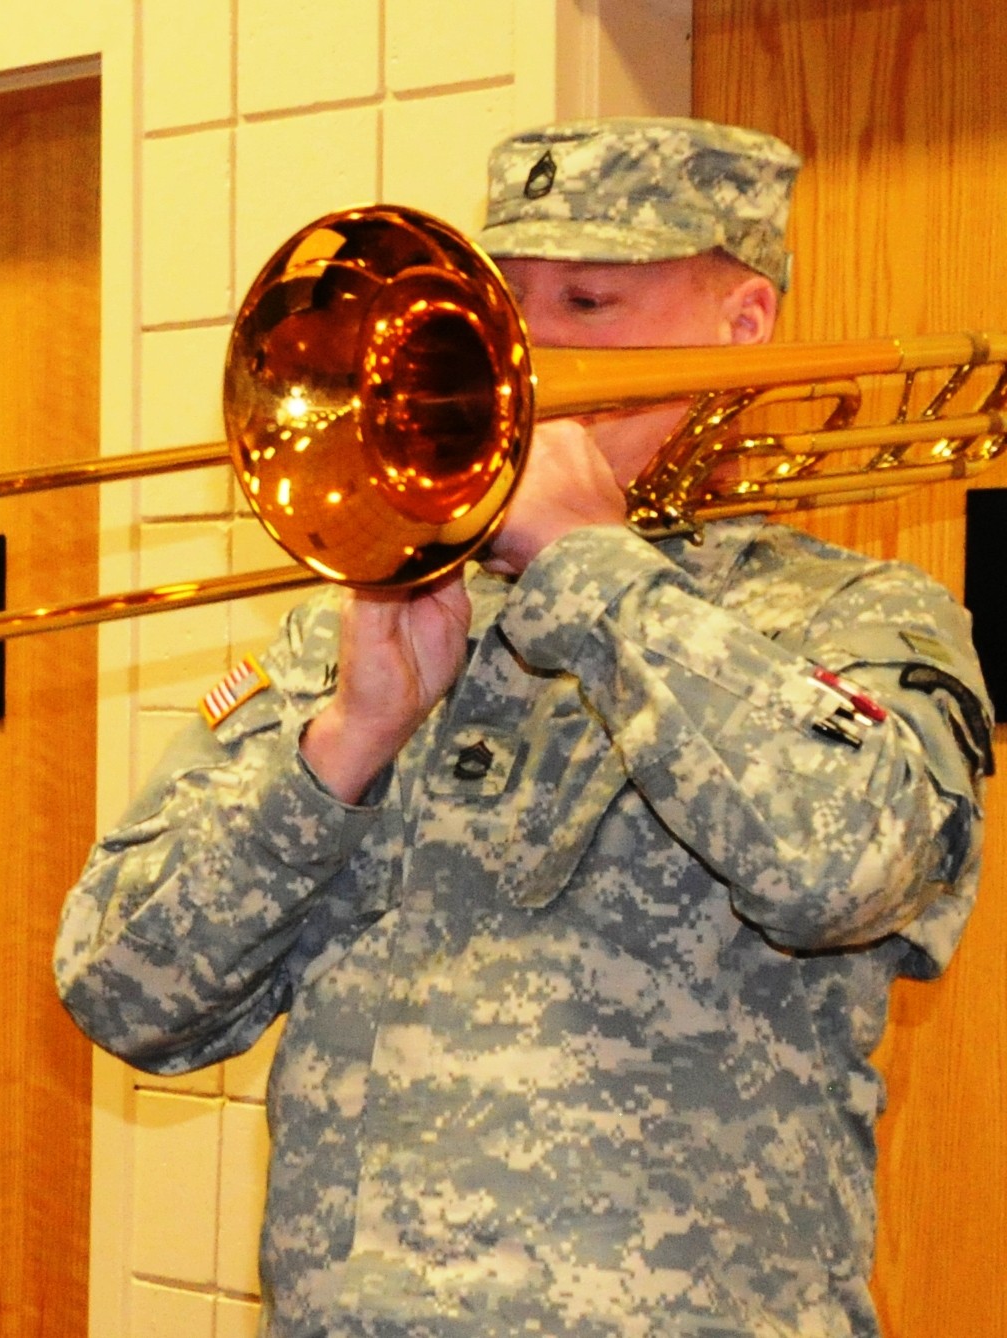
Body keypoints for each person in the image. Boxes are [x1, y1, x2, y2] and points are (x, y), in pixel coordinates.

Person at [55, 118, 992, 1335]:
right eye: (502, 303)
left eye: (590, 301)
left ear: (742, 322)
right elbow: (121, 993)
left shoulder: (858, 617)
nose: (529, 349)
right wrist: (341, 745)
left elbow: (845, 871)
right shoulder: (367, 620)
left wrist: (594, 576)